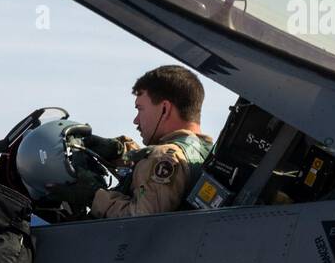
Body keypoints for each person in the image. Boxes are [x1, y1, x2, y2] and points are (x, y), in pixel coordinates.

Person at [50, 65, 214, 218]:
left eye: (140, 109)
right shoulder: (205, 152)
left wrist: (94, 195)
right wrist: (121, 153)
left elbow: (140, 222)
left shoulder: (163, 157)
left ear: (165, 109)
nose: (136, 120)